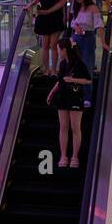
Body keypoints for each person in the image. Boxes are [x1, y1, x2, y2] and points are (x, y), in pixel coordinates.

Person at [47, 38, 91, 169]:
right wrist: (51, 93)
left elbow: (88, 80)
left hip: (75, 97)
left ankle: (75, 156)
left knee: (75, 127)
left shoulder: (78, 64)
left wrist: (72, 79)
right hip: (63, 97)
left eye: (59, 49)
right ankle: (63, 155)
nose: (58, 51)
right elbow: (60, 81)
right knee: (63, 127)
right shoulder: (62, 64)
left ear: (64, 49)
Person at [69, 0, 110, 91]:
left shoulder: (93, 8)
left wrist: (103, 42)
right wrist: (76, 26)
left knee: (87, 64)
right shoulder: (75, 7)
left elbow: (99, 25)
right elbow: (73, 22)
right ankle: (76, 92)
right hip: (76, 37)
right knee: (75, 64)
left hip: (88, 37)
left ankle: (87, 94)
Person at [25, 0, 66, 75]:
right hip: (43, 17)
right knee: (45, 45)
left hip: (55, 17)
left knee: (53, 45)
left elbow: (62, 3)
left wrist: (54, 13)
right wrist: (30, 5)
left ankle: (53, 69)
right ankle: (46, 68)